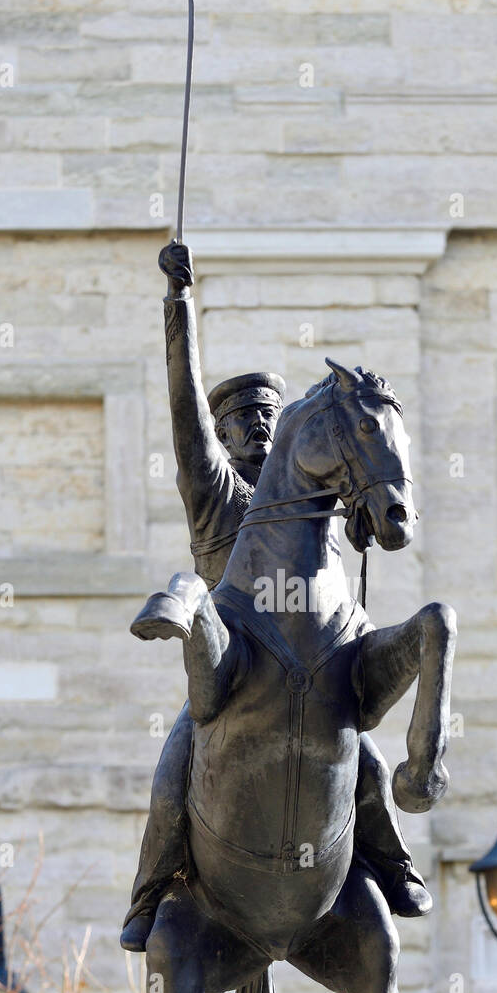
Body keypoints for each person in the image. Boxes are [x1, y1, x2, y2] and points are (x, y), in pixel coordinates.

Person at [120, 243, 431, 952]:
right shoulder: (214, 492)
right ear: (223, 434)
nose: (257, 424)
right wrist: (179, 307)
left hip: (312, 673)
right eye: (241, 420)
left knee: (366, 761)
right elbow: (181, 406)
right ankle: (150, 893)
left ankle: (389, 862)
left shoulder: (310, 500)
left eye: (268, 412)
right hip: (232, 674)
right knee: (173, 771)